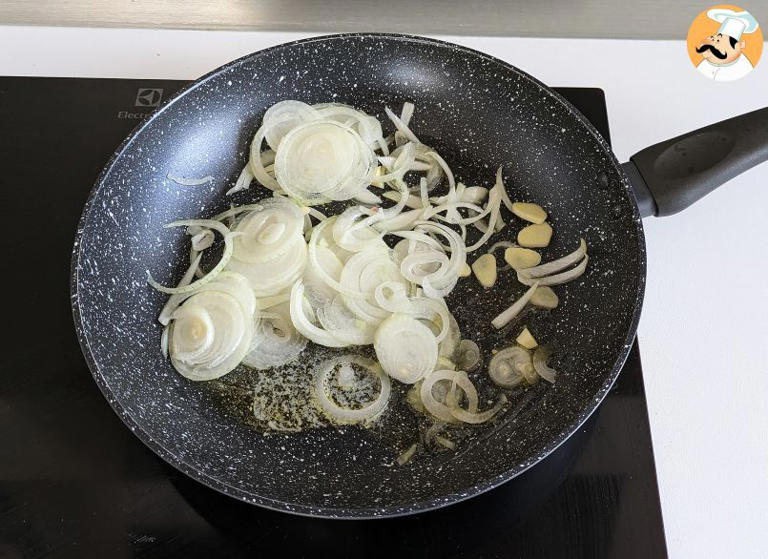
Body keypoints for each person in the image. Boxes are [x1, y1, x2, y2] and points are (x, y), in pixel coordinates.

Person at [696, 9, 759, 82]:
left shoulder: (743, 68)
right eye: (712, 38)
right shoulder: (704, 64)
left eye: (718, 41)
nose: (712, 42)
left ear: (740, 45)